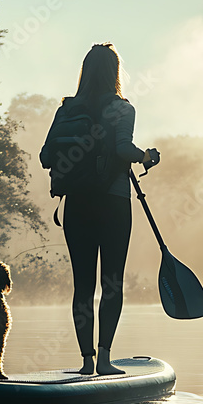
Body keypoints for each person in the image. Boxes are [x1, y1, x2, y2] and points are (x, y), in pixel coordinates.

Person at [43, 43, 159, 375]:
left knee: (82, 285)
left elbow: (45, 157)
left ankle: (85, 362)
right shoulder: (122, 108)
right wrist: (146, 157)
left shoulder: (65, 110)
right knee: (111, 283)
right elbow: (123, 149)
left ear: (85, 70)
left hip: (76, 205)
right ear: (115, 72)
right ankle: (106, 361)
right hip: (113, 204)